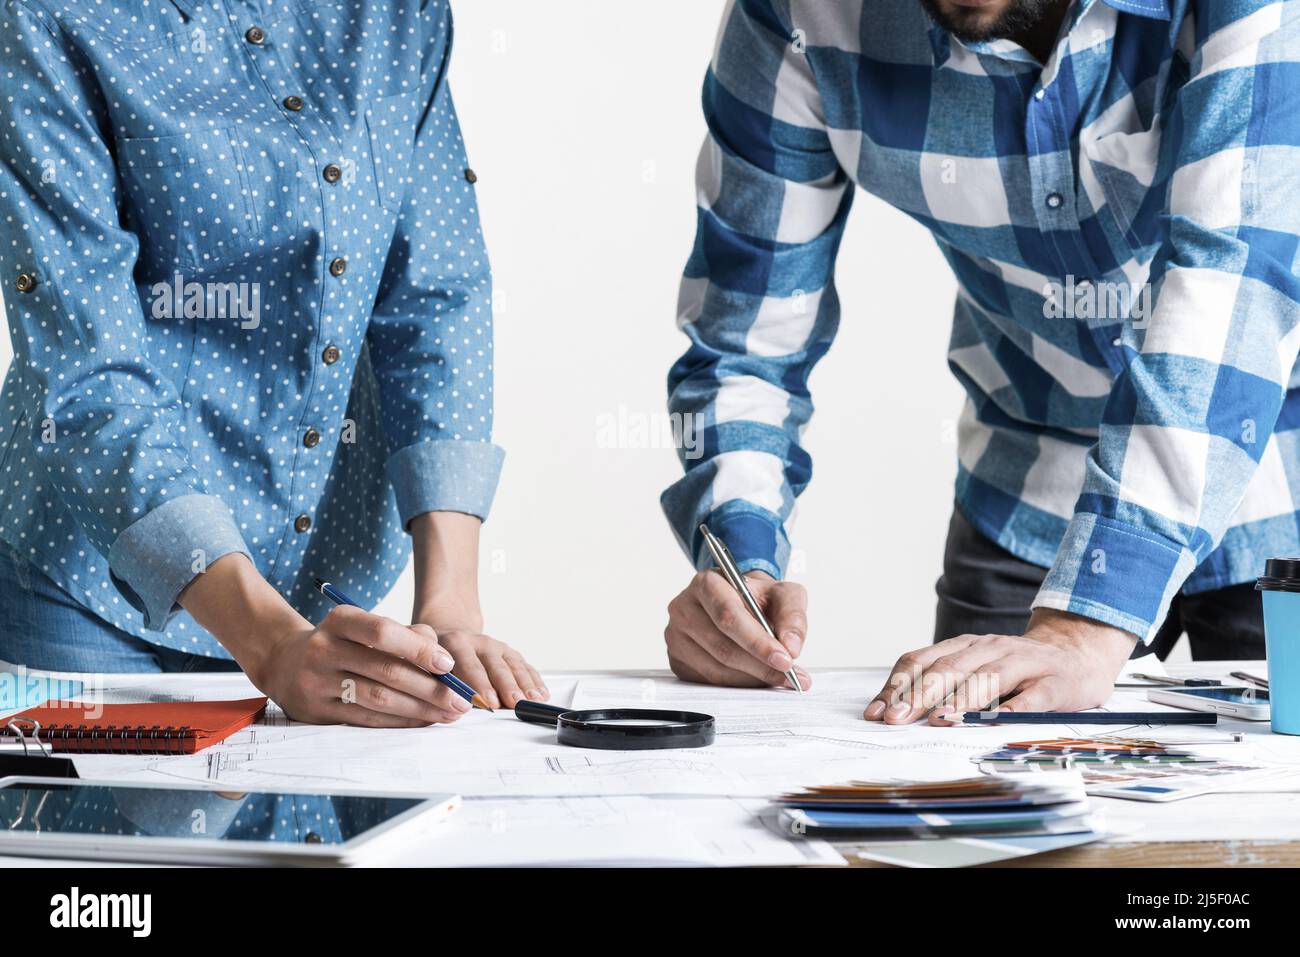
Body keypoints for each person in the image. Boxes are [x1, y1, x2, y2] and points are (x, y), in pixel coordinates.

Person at [661, 0, 1300, 722]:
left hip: (1284, 477)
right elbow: (746, 341)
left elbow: (1234, 283)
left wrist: (1084, 626)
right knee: (964, 809)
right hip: (1027, 483)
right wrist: (740, 557)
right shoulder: (795, 15)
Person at [0, 0, 547, 723]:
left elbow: (435, 300)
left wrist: (449, 606)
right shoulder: (43, 15)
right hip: (89, 591)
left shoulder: (395, 15)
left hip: (329, 591)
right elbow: (90, 367)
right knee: (129, 839)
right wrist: (270, 642)